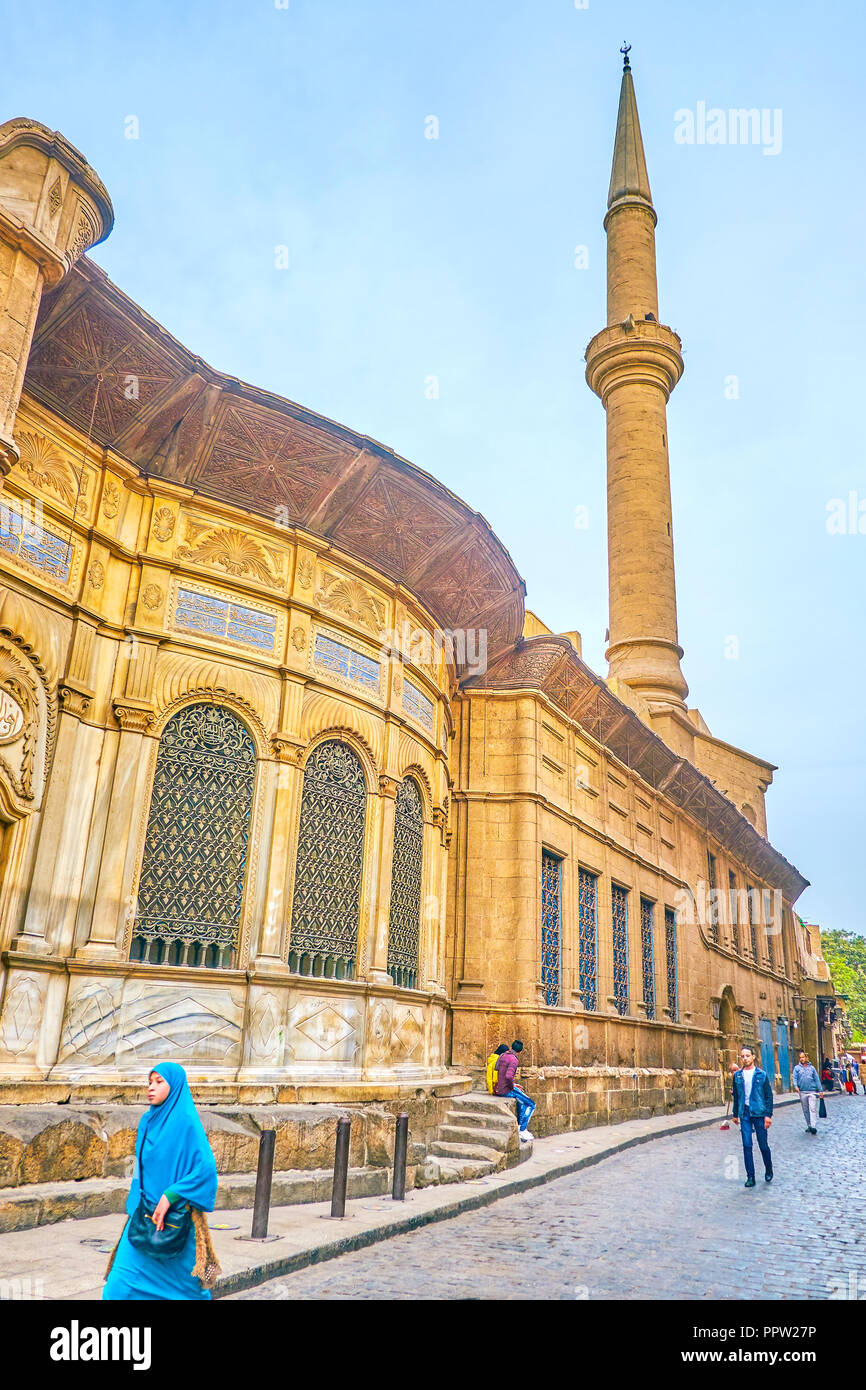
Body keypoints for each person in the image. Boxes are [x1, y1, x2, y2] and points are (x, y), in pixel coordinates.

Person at [104, 1062, 220, 1300]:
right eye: (149, 1082)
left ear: (175, 1086)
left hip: (176, 1221)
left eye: (159, 1082)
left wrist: (171, 1196)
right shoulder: (148, 1122)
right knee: (117, 1287)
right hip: (144, 1217)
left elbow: (206, 1169)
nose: (151, 1087)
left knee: (188, 1292)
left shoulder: (186, 1122)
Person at [731, 1044, 774, 1188]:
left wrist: (768, 1115)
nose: (745, 1058)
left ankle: (768, 1169)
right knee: (747, 1145)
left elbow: (768, 1096)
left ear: (753, 1057)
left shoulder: (761, 1075)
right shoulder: (737, 1076)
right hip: (745, 1114)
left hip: (760, 1114)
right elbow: (736, 1097)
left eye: (747, 1056)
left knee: (763, 1145)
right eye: (742, 1056)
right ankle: (751, 1176)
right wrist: (735, 1114)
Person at [493, 1039, 536, 1142]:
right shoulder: (514, 1060)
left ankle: (520, 1126)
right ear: (520, 1052)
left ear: (511, 1047)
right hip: (507, 1090)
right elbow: (508, 1076)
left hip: (500, 1088)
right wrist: (512, 1087)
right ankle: (522, 1129)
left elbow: (497, 1068)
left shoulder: (502, 1056)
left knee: (522, 1102)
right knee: (531, 1104)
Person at [792, 1050, 822, 1133]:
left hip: (812, 1091)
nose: (801, 1059)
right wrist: (795, 1086)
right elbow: (794, 1077)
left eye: (803, 1057)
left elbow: (816, 1079)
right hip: (802, 1092)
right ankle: (809, 1125)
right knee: (805, 1110)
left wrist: (820, 1090)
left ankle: (813, 1126)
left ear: (806, 1058)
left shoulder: (812, 1068)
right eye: (800, 1057)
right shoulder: (797, 1068)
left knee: (812, 1108)